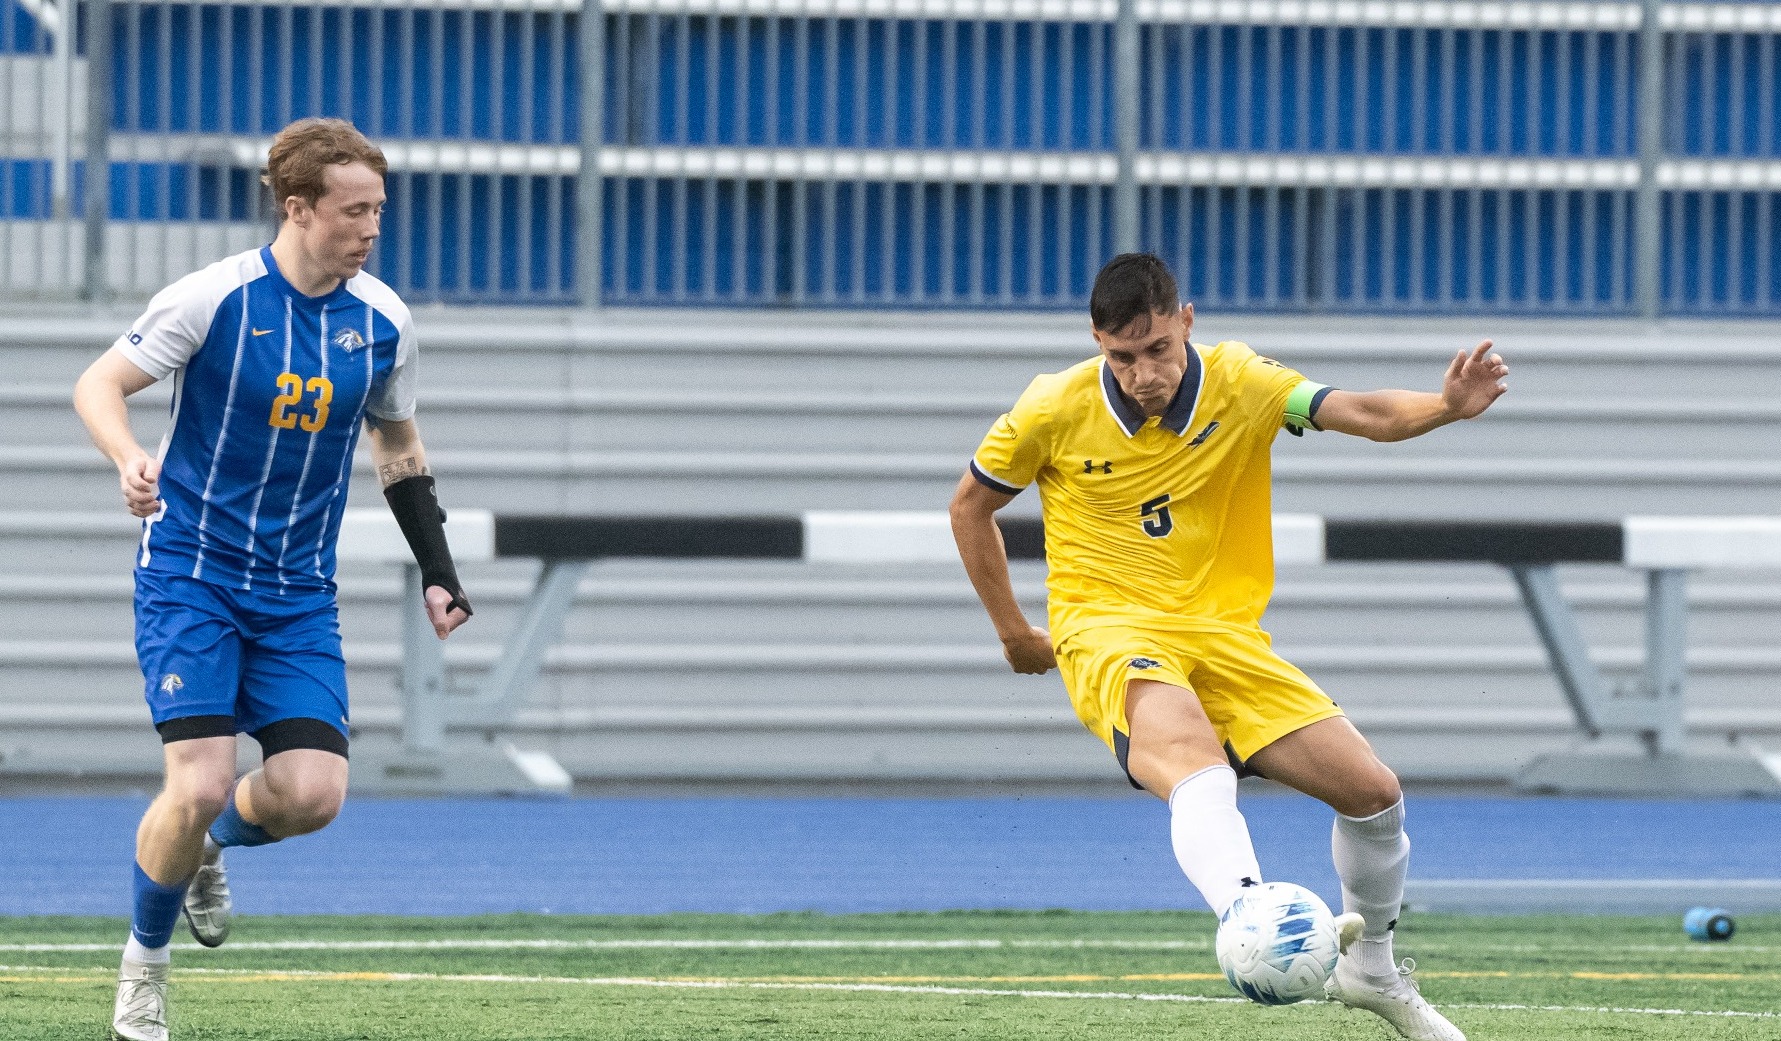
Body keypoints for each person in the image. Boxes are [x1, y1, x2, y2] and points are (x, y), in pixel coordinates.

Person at [949, 253, 1506, 1041]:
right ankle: (1250, 915)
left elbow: (1363, 412)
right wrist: (1014, 632)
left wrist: (1444, 407)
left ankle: (1371, 967)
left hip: (1225, 636)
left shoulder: (1242, 382)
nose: (1142, 373)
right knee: (1195, 760)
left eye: (1157, 351)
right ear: (1097, 342)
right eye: (1121, 356)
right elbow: (970, 506)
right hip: (1108, 629)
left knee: (1373, 793)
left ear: (1186, 321)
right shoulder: (1051, 406)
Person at [73, 117, 474, 1041]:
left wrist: (437, 569)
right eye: (354, 210)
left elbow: (399, 448)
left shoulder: (383, 319)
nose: (373, 228)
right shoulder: (214, 299)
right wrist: (128, 456)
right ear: (297, 208)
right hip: (192, 573)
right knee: (201, 778)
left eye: (380, 209)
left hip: (296, 591)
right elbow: (98, 382)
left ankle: (206, 849)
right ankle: (144, 966)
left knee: (312, 794)